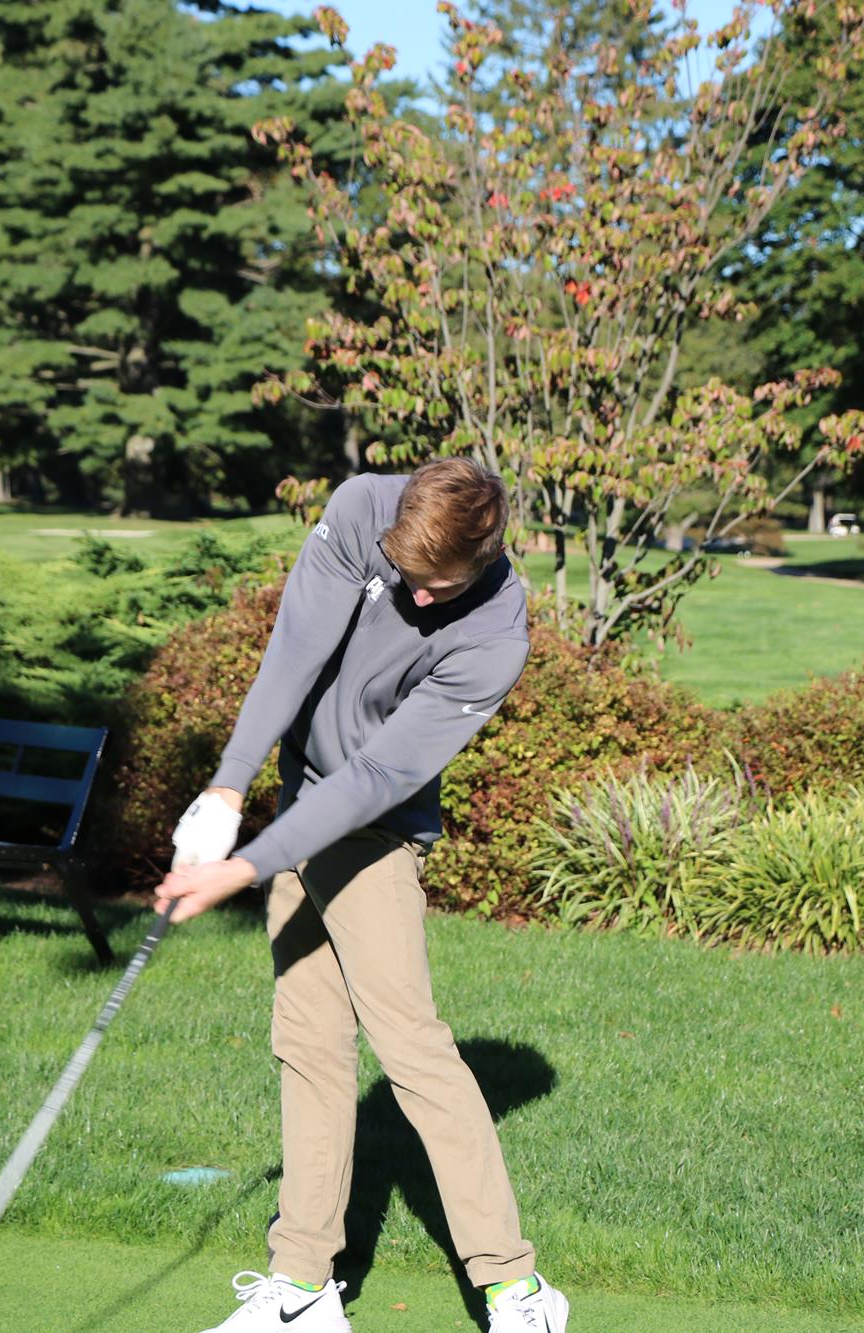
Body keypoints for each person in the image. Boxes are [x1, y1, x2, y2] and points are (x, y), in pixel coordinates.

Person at [157, 459, 569, 1333]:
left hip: (375, 832)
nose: (420, 602)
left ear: (487, 555)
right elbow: (294, 650)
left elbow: (380, 774)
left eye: (439, 588)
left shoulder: (495, 635)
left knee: (412, 1052)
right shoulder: (359, 509)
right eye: (407, 580)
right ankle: (302, 1286)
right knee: (307, 1043)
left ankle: (516, 1288)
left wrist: (245, 865)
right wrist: (228, 790)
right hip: (298, 802)